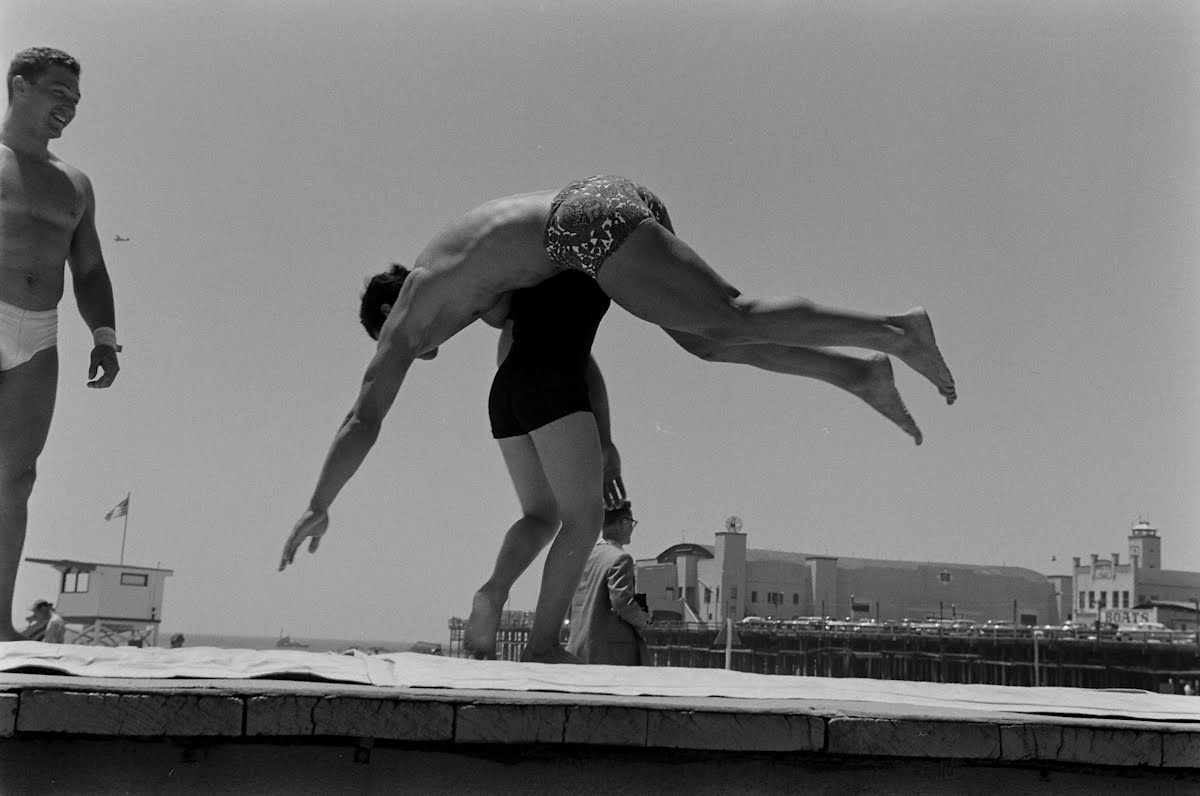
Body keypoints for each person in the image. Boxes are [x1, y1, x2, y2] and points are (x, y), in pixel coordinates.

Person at [279, 176, 956, 636]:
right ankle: (857, 374)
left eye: (402, 345)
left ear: (389, 317)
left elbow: (364, 417)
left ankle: (896, 330)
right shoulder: (474, 285)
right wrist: (602, 436)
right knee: (710, 341)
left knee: (731, 314)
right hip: (594, 211)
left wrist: (319, 501)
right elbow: (560, 347)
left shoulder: (412, 312)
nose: (419, 355)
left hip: (588, 223)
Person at [0, 48, 121, 641]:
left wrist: (105, 335)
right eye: (57, 92)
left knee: (16, 479)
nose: (69, 106)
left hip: (40, 329)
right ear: (19, 86)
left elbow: (90, 268)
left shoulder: (75, 183)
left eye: (75, 99)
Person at [461, 269, 623, 661]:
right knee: (584, 519)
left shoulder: (534, 264)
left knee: (541, 515)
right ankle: (542, 645)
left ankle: (494, 591)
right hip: (553, 381)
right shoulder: (592, 260)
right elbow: (585, 366)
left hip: (506, 386)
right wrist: (603, 439)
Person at [566, 501, 651, 666]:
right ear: (623, 523)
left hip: (578, 648)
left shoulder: (584, 556)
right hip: (610, 654)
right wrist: (643, 619)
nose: (632, 529)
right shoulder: (620, 558)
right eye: (632, 523)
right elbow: (622, 602)